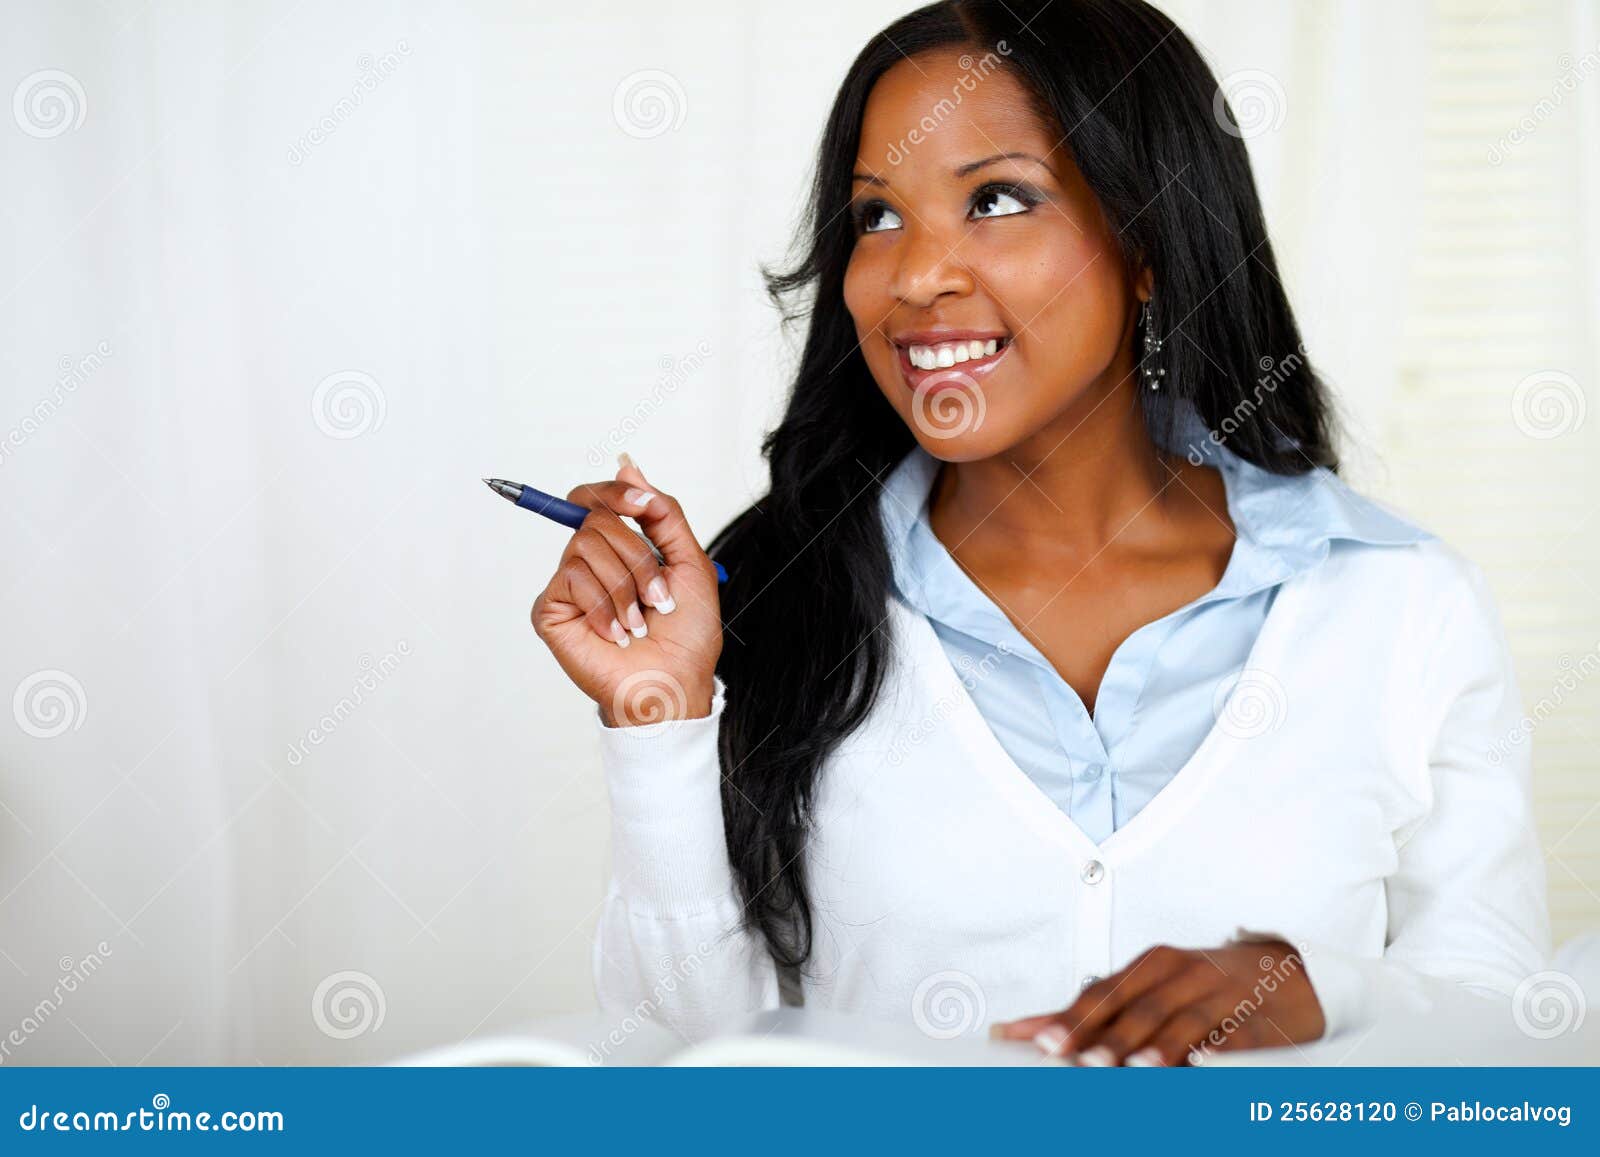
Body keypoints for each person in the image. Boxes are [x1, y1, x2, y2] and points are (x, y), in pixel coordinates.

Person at [530, 0, 1549, 1065]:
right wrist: (662, 718)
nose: (915, 276)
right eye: (876, 217)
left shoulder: (1399, 603)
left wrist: (1315, 986)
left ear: (1145, 240)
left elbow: (1509, 1033)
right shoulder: (777, 597)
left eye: (995, 198)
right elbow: (686, 1064)